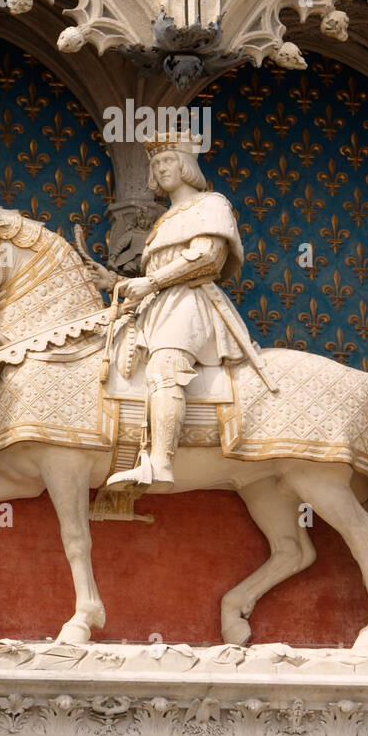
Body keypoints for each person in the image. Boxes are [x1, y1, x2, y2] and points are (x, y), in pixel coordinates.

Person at [105, 132, 273, 492]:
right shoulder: (163, 220)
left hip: (190, 301)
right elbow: (154, 273)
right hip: (157, 304)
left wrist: (151, 284)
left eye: (168, 161)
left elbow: (207, 256)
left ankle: (161, 462)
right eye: (156, 164)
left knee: (166, 366)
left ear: (186, 165)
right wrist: (113, 280)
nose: (161, 168)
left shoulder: (212, 204)